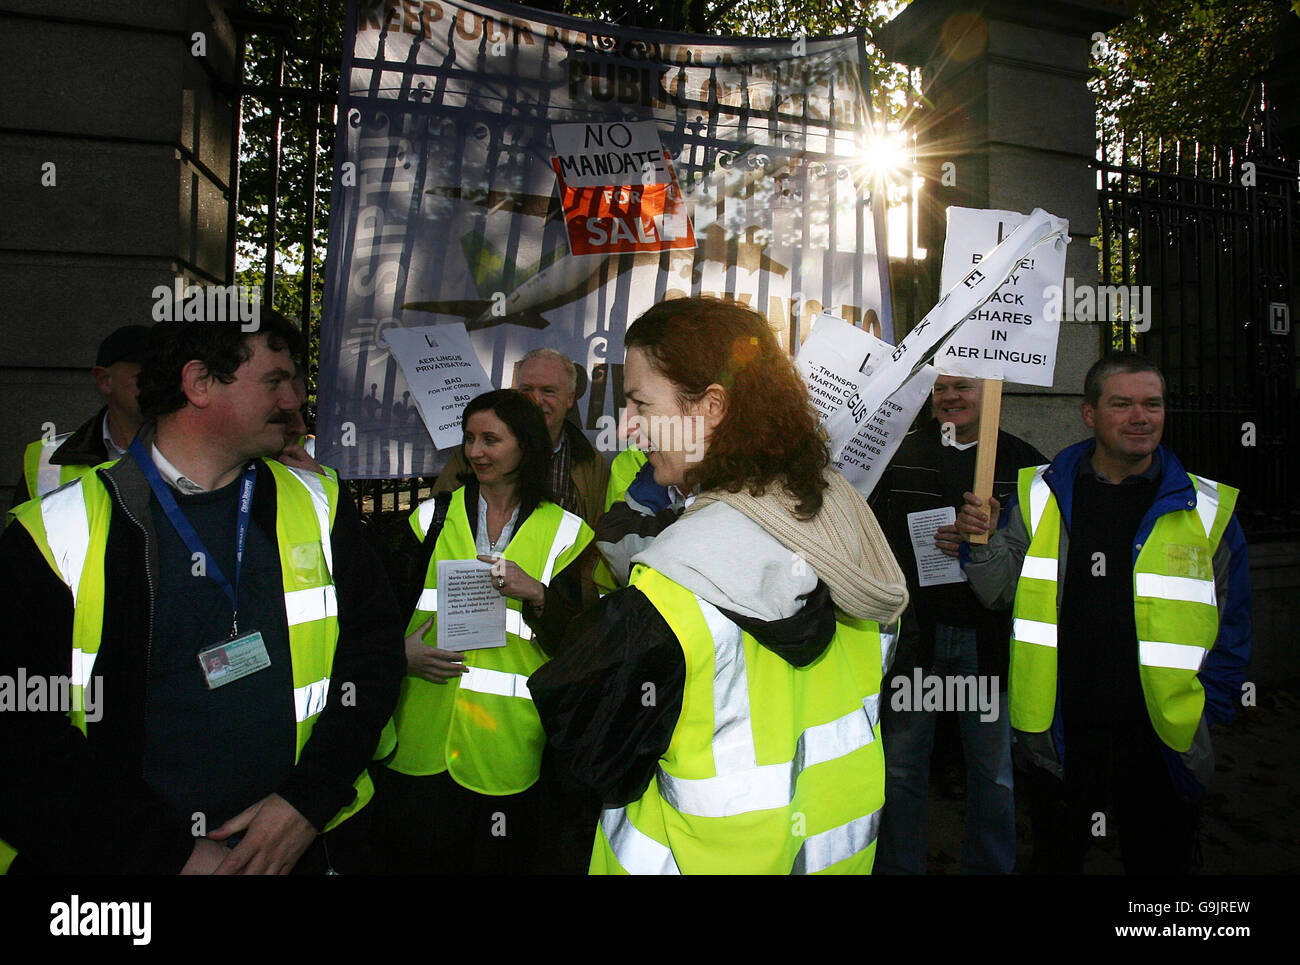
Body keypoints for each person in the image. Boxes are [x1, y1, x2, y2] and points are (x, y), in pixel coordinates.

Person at [0, 315, 406, 874]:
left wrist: (307, 803)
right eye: (275, 380)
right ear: (199, 383)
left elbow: (374, 656)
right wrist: (176, 856)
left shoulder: (320, 504)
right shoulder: (52, 535)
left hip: (309, 848)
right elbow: (20, 736)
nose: (294, 401)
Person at [530, 297, 909, 874]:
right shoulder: (848, 528)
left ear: (710, 406)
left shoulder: (670, 587)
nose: (628, 427)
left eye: (639, 403)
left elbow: (586, 761)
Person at [955, 353, 1252, 874]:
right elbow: (997, 593)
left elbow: (1233, 623)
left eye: (1152, 404)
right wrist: (980, 542)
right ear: (1089, 414)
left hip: (1162, 743)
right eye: (1122, 404)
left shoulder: (1207, 509)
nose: (1141, 417)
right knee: (1057, 859)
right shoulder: (1041, 494)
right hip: (1063, 734)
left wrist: (1212, 712)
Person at [373, 389, 594, 874]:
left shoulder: (566, 532)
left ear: (527, 446)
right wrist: (397, 654)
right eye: (470, 439)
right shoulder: (429, 518)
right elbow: (374, 615)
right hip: (420, 740)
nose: (475, 452)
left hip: (507, 748)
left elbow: (583, 645)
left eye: (491, 439)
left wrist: (537, 594)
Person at [870, 373, 1045, 875]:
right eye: (941, 387)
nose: (951, 397)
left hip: (986, 641)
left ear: (991, 392)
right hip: (915, 640)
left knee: (993, 772)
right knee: (901, 767)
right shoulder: (897, 456)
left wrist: (989, 542)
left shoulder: (1025, 464)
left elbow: (1042, 555)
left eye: (964, 387)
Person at [433, 348, 610, 531]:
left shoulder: (590, 462)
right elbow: (438, 523)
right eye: (526, 390)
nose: (535, 400)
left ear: (570, 399)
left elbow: (597, 537)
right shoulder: (473, 454)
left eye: (548, 391)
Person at [12, 324, 151, 509]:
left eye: (166, 376)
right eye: (145, 376)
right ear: (104, 380)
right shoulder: (47, 460)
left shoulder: (192, 452)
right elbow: (24, 535)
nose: (158, 385)